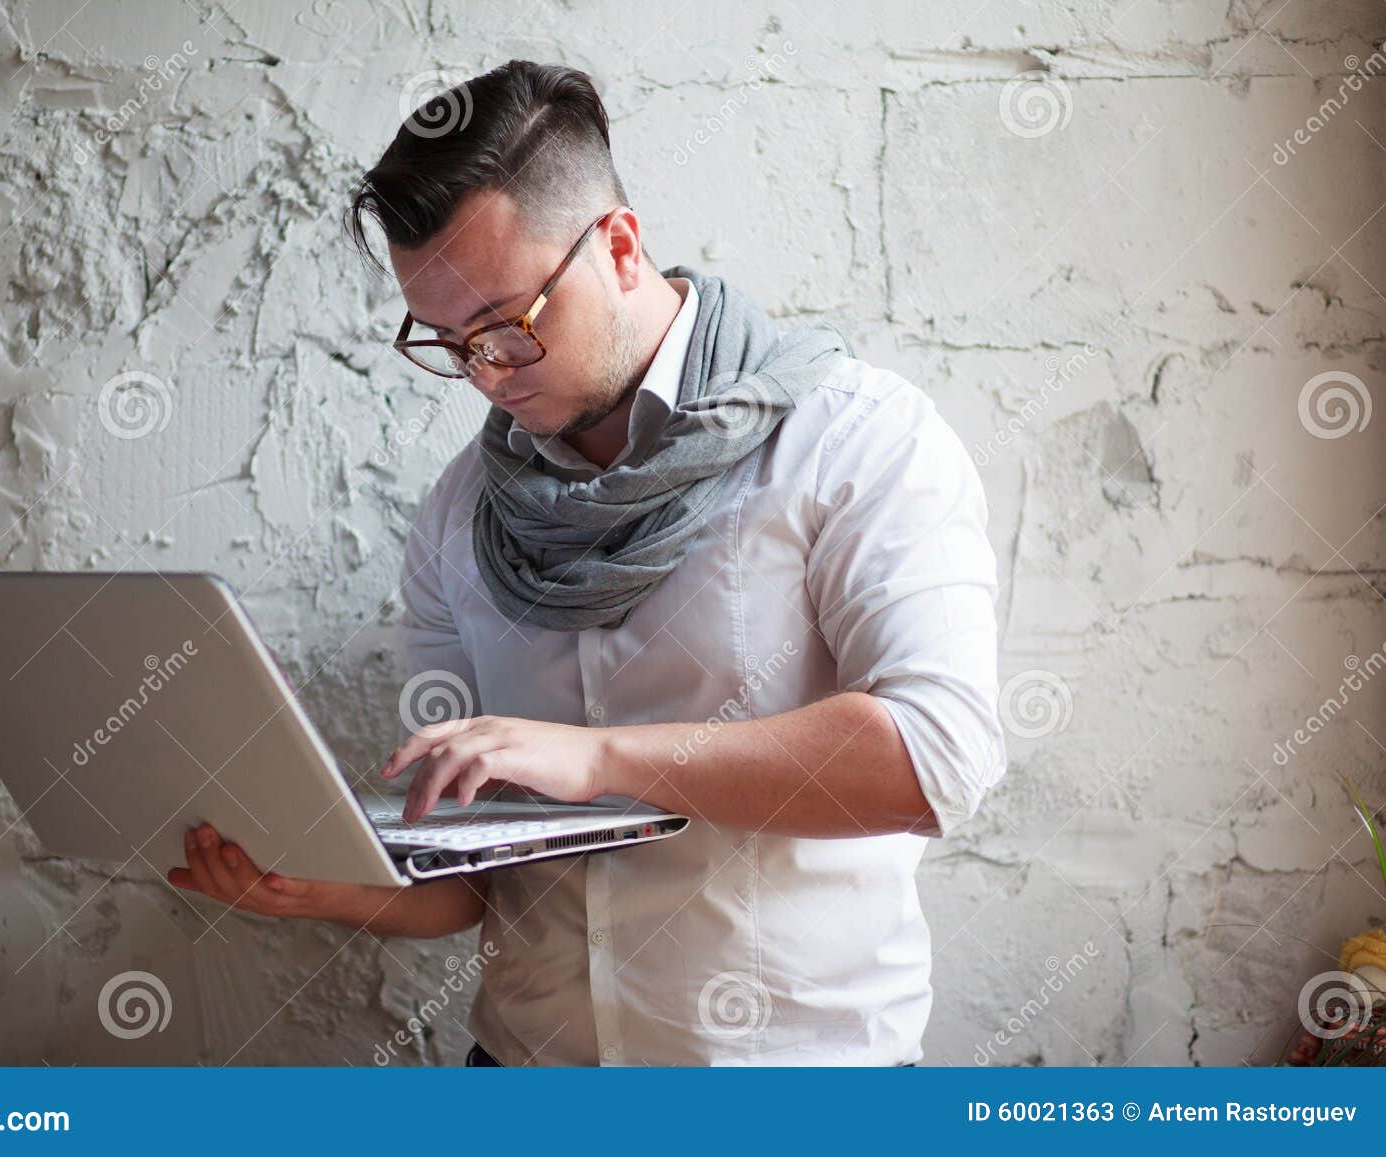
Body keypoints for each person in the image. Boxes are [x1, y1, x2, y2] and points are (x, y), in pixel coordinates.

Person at [168, 59, 1005, 1067]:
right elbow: (466, 872)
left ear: (617, 246)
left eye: (507, 329)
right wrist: (319, 884)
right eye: (445, 342)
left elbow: (937, 755)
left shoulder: (855, 440)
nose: (482, 375)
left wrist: (602, 759)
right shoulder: (459, 517)